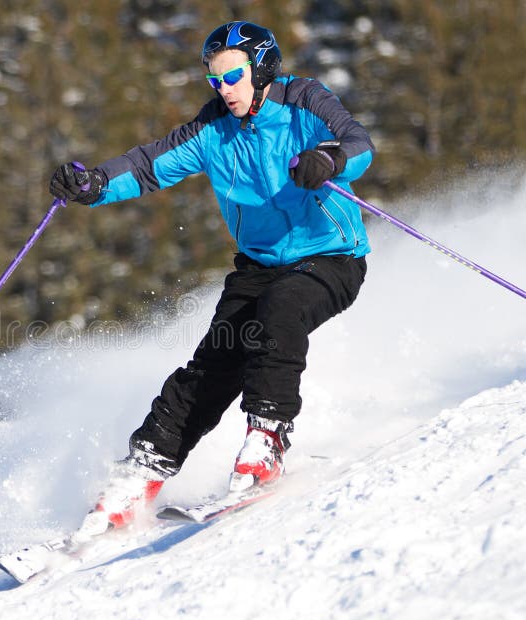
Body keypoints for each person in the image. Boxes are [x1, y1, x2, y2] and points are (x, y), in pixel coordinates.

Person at [49, 21, 374, 538]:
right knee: (215, 361)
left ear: (262, 69)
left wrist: (328, 158)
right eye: (214, 79)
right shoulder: (212, 130)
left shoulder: (304, 102)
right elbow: (147, 165)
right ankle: (143, 470)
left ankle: (266, 439)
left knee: (280, 313)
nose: (224, 89)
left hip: (331, 256)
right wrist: (93, 184)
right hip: (259, 266)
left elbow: (358, 142)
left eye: (234, 76)